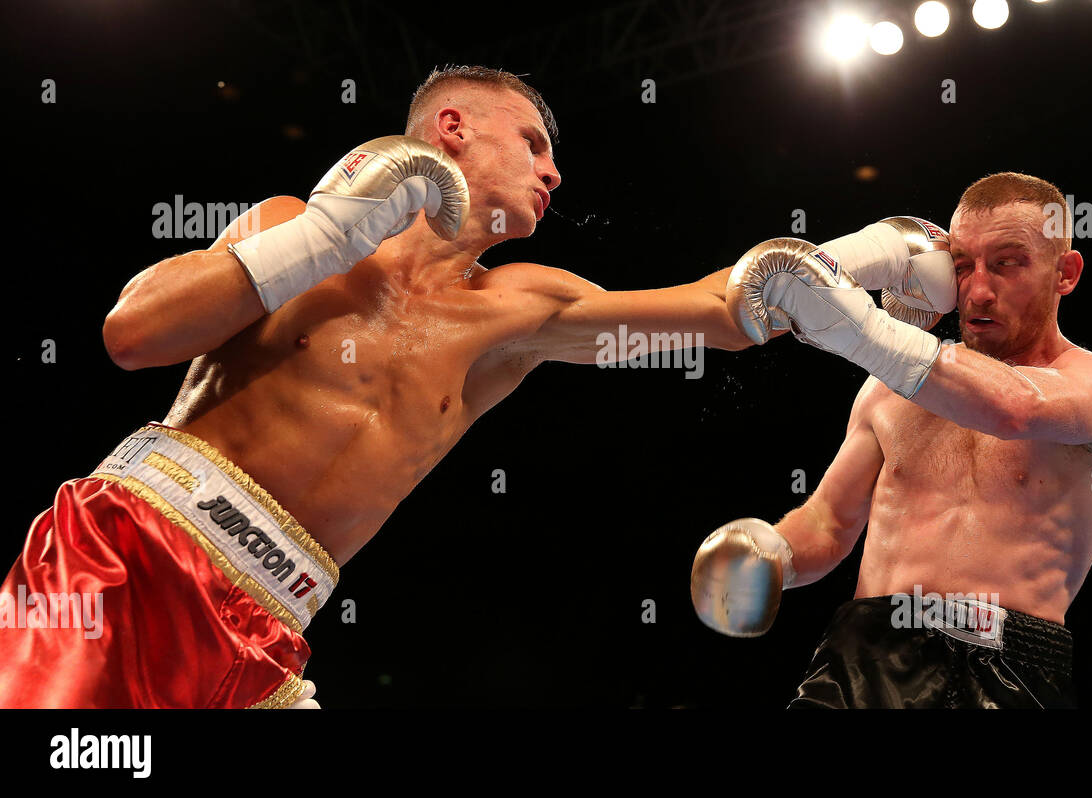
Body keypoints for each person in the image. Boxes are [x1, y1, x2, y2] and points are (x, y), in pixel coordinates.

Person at [0, 65, 772, 709]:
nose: (554, 172)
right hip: (132, 552)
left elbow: (721, 313)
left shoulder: (520, 308)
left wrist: (863, 259)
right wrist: (327, 237)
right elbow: (131, 335)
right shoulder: (289, 223)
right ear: (452, 127)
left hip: (268, 629)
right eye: (532, 142)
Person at [691, 172, 1092, 708]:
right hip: (863, 656)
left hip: (1004, 668)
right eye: (961, 267)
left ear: (1065, 273)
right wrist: (773, 556)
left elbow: (1019, 409)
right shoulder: (888, 390)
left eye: (1006, 263)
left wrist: (856, 327)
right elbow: (829, 522)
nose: (977, 290)